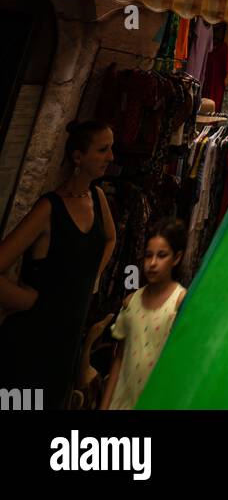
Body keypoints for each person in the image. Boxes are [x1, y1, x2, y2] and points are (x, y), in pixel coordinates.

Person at [0, 120, 116, 409]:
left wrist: (90, 278)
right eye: (103, 150)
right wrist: (32, 302)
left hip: (65, 349)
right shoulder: (49, 208)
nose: (111, 157)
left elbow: (110, 239)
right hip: (30, 348)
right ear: (78, 157)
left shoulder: (97, 198)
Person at [100, 218, 187, 411]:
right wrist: (104, 406)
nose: (152, 263)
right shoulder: (131, 302)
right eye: (148, 255)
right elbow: (119, 360)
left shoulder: (180, 303)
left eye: (162, 255)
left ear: (176, 258)